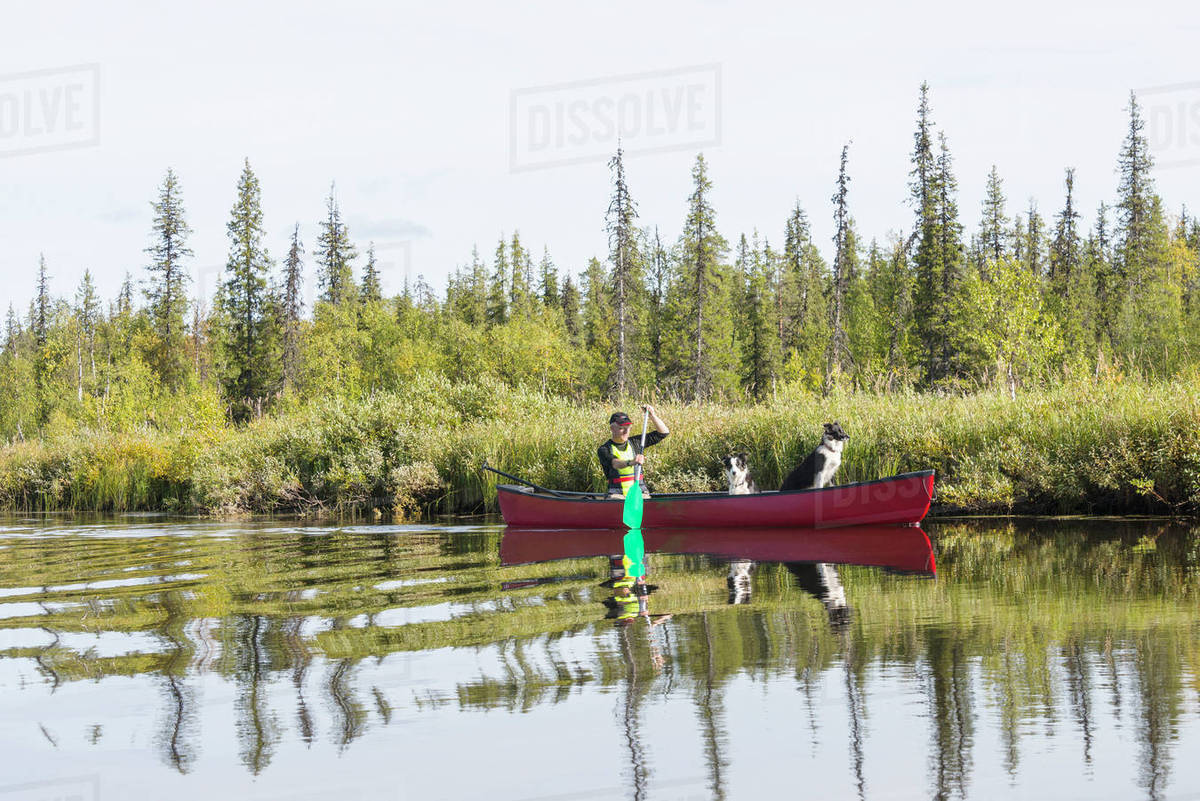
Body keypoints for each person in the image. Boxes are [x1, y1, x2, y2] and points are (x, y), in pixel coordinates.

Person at [598, 405, 669, 498]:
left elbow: (663, 433)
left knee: (645, 498)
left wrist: (652, 415)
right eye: (621, 428)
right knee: (616, 499)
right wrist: (632, 462)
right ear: (612, 428)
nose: (626, 432)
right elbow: (615, 463)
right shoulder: (604, 449)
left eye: (628, 428)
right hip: (617, 494)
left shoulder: (636, 442)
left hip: (639, 493)